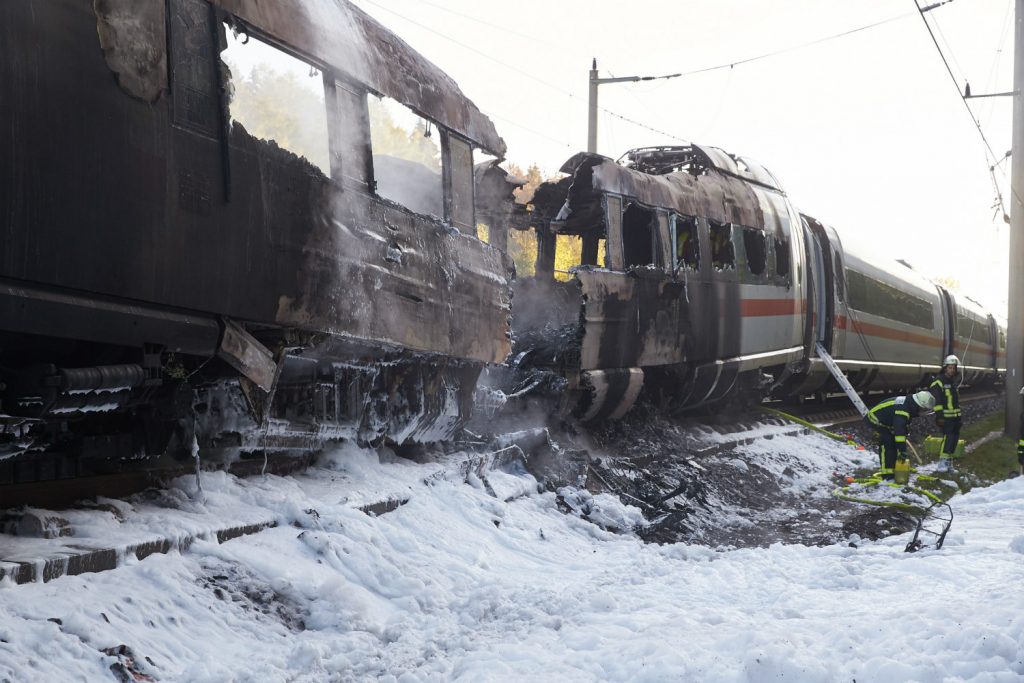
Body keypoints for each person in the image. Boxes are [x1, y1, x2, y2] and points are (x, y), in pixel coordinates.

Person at [866, 390, 936, 481]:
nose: (922, 412)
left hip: (886, 422)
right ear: (918, 405)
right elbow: (899, 433)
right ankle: (887, 476)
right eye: (923, 409)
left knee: (894, 444)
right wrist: (902, 450)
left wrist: (901, 445)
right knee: (888, 445)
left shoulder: (908, 404)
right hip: (875, 421)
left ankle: (894, 469)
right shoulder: (903, 410)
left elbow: (901, 426)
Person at [928, 354, 962, 473]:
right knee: (948, 439)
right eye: (950, 368)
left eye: (954, 368)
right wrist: (940, 416)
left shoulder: (952, 382)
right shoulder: (938, 382)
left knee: (954, 440)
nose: (952, 370)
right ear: (945, 368)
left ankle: (949, 463)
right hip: (946, 418)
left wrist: (959, 416)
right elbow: (937, 401)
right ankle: (942, 463)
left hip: (955, 417)